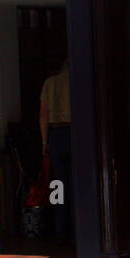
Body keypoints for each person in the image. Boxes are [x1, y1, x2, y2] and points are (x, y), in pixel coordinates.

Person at [39, 59, 73, 243]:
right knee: (77, 184)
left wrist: (45, 141)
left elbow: (43, 114)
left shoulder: (49, 83)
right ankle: (77, 228)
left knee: (58, 185)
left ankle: (60, 230)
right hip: (74, 133)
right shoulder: (77, 80)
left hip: (56, 135)